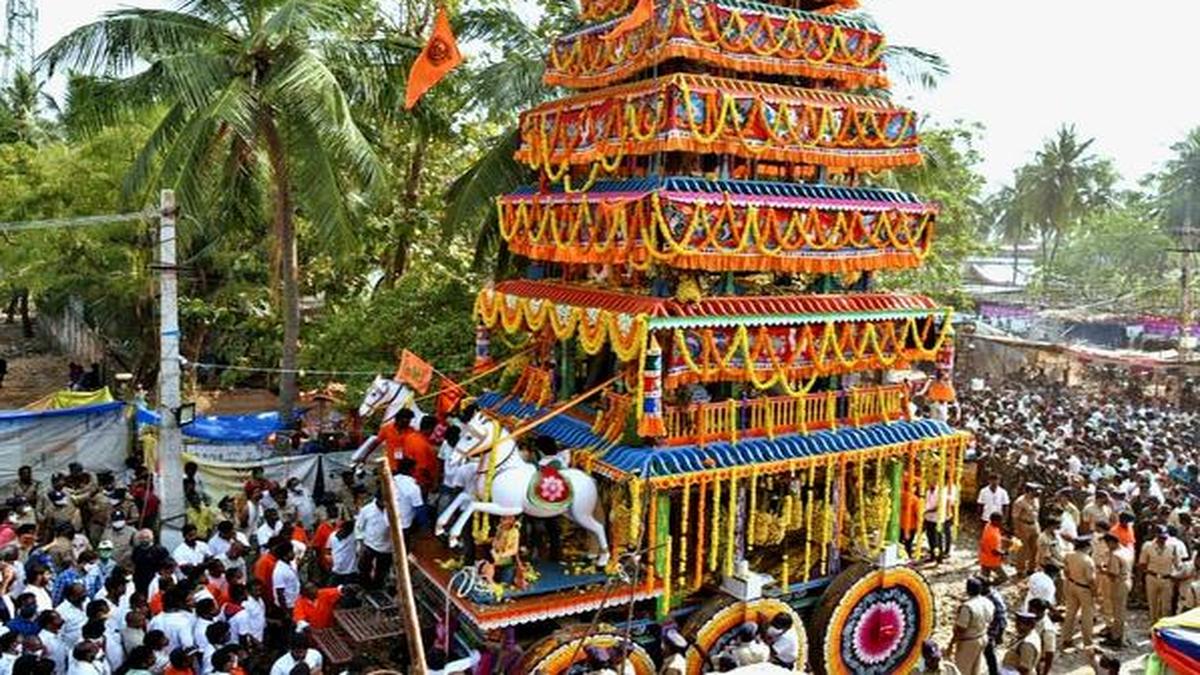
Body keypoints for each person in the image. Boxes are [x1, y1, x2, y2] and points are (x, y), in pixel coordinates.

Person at [1140, 524, 1186, 624]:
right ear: (1156, 535)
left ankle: (1163, 628)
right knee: (1153, 605)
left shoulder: (1173, 546)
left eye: (1164, 537)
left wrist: (1175, 575)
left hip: (1167, 578)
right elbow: (1142, 563)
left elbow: (1178, 564)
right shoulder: (1148, 546)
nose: (1163, 539)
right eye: (1160, 537)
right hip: (1152, 577)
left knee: (1166, 607)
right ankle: (1153, 627)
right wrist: (1149, 572)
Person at [948, 577, 992, 675]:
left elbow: (961, 628)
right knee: (975, 668)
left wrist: (951, 644)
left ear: (967, 590)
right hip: (983, 637)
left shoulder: (967, 607)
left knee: (961, 670)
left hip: (969, 641)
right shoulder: (987, 601)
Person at [1061, 534, 1096, 650]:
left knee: (1070, 612)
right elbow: (1091, 580)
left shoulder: (1069, 555)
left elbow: (1066, 571)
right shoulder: (1088, 560)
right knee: (1087, 615)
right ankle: (1088, 642)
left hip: (1071, 584)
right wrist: (1095, 592)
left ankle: (1066, 638)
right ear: (1087, 546)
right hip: (1084, 588)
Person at [1098, 532, 1132, 648]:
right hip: (1127, 581)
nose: (1107, 546)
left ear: (1112, 542)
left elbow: (1113, 574)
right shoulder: (1127, 551)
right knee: (1121, 611)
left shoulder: (1115, 555)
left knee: (1118, 613)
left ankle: (1117, 638)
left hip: (1118, 583)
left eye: (1108, 543)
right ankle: (1119, 635)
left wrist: (1103, 570)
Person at [355, 493, 393, 590]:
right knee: (364, 568)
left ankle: (378, 588)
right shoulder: (367, 510)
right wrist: (361, 543)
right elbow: (359, 527)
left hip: (387, 548)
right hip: (369, 545)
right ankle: (365, 587)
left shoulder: (393, 509)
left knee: (382, 571)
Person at [1011, 484, 1041, 576]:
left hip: (1034, 524)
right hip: (1023, 525)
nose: (1036, 493)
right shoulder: (1020, 502)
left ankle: (1032, 568)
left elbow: (1037, 512)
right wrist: (1017, 529)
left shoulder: (1036, 500)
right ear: (1028, 491)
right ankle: (1020, 569)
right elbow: (1015, 517)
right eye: (1034, 491)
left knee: (1035, 548)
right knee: (1022, 549)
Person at [1026, 599, 1056, 675]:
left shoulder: (1047, 629)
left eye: (1031, 610)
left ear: (1040, 611)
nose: (1028, 612)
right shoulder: (1033, 620)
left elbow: (1050, 654)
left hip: (1037, 661)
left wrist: (1045, 673)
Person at [979, 513, 1008, 584]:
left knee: (984, 578)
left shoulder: (989, 525)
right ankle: (991, 584)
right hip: (992, 561)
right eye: (1000, 521)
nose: (1002, 523)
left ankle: (984, 586)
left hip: (984, 557)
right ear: (995, 521)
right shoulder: (992, 535)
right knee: (1003, 578)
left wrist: (1007, 540)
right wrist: (1004, 553)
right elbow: (994, 551)